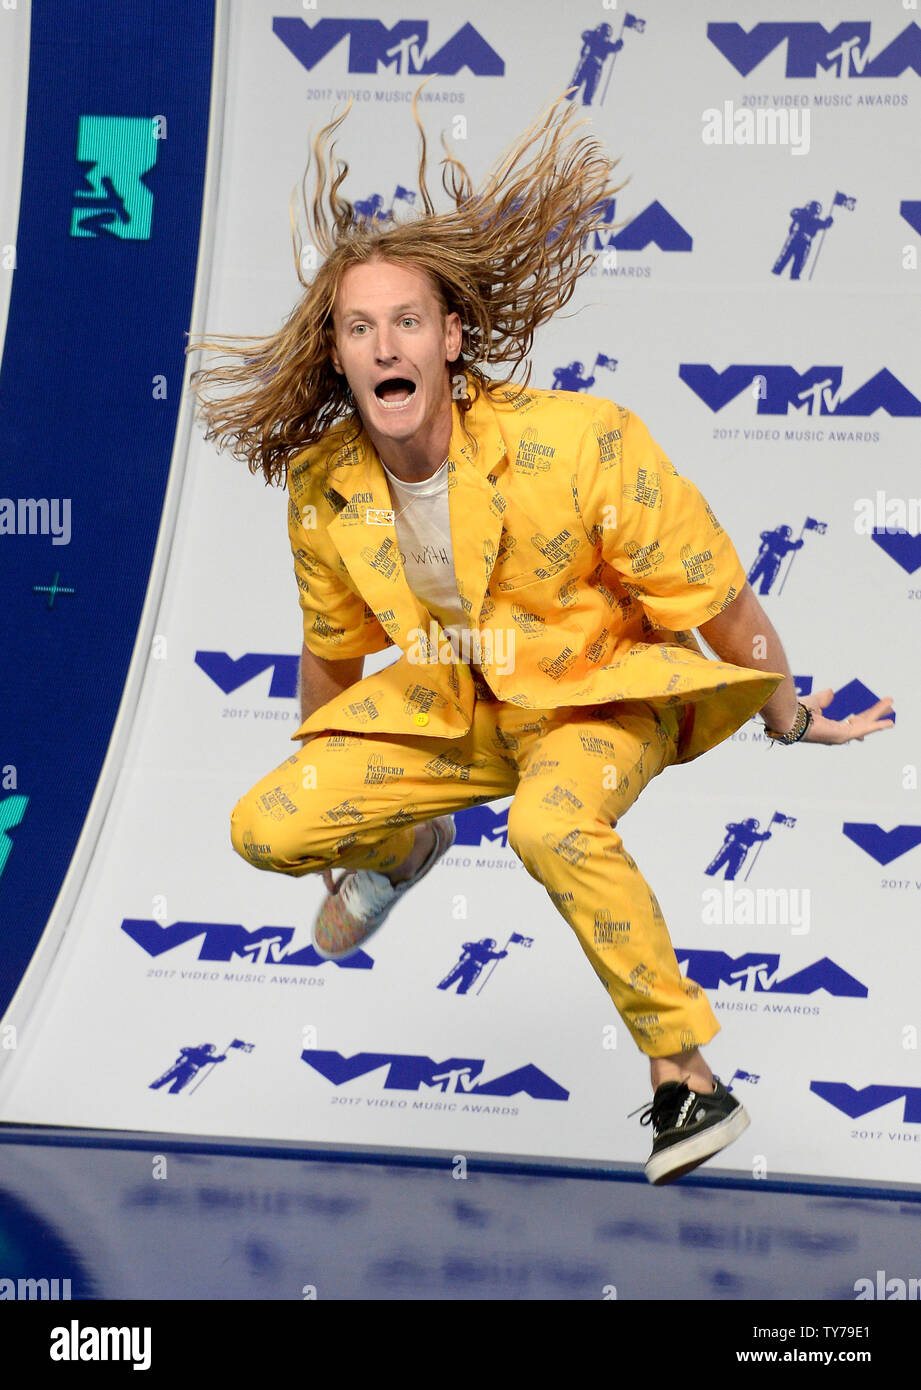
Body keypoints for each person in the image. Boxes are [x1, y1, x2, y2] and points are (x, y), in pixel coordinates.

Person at [187, 88, 895, 1185]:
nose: (385, 343)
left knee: (549, 826)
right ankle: (407, 854)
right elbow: (332, 650)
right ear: (337, 354)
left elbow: (718, 597)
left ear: (451, 338)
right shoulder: (325, 486)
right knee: (265, 826)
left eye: (407, 321)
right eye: (359, 326)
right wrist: (351, 812)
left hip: (597, 693)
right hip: (456, 708)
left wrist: (790, 713)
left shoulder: (579, 444)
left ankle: (686, 1077)